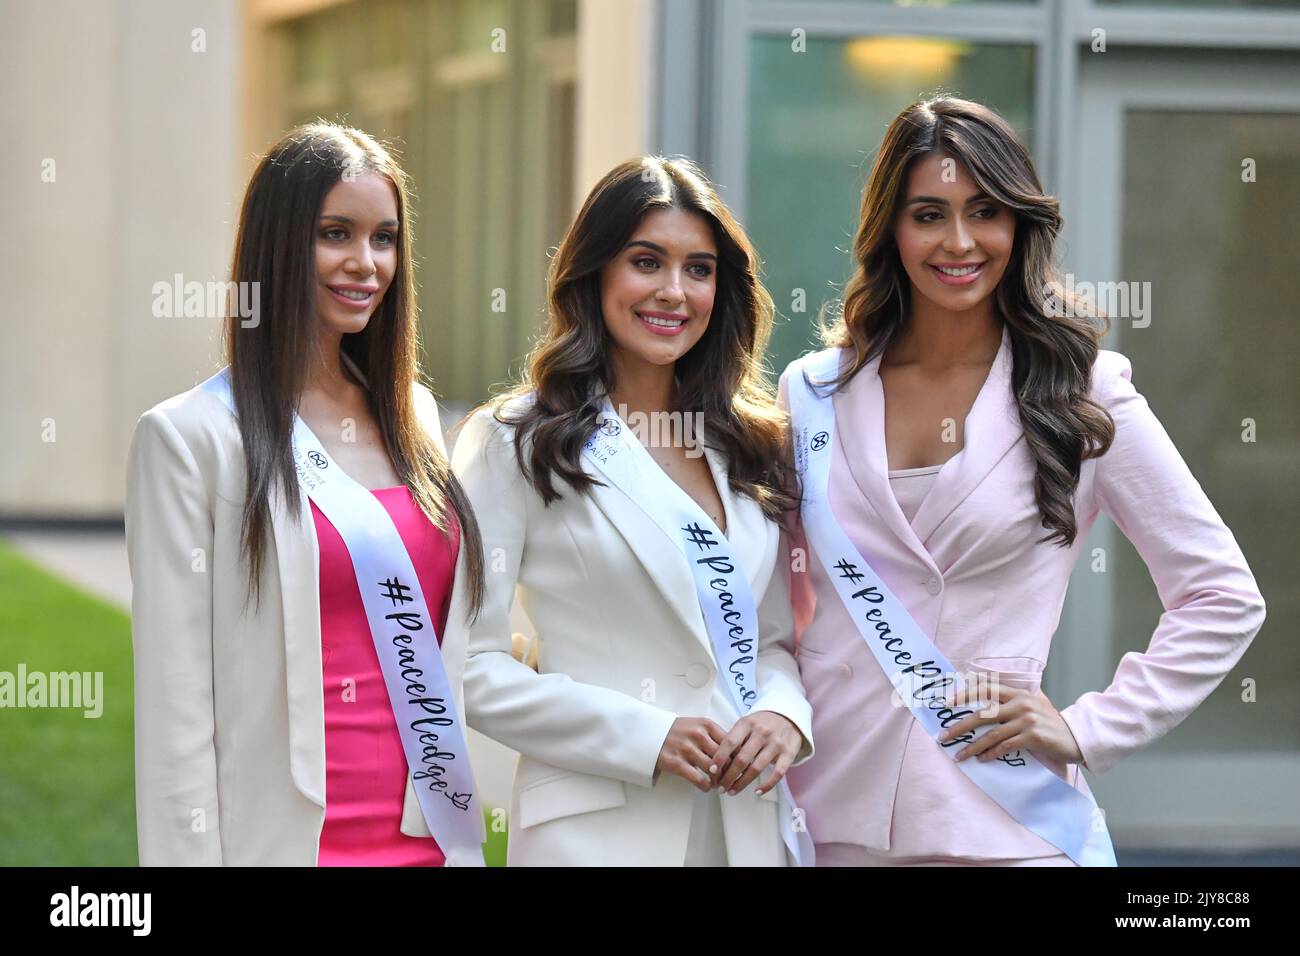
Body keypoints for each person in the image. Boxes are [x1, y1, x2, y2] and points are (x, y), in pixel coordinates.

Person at [780, 95, 1266, 866]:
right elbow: (782, 600)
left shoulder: (1083, 391)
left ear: (1019, 223)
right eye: (929, 214)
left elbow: (1223, 595)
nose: (960, 241)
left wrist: (1087, 729)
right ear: (889, 229)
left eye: (986, 211)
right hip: (831, 814)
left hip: (1002, 822)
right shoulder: (811, 392)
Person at [126, 122, 487, 866]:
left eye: (384, 238)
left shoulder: (413, 414)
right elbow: (175, 713)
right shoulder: (191, 440)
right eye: (336, 234)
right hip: (291, 847)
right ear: (280, 244)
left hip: (429, 839)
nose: (365, 263)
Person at [451, 156, 814, 866]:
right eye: (646, 262)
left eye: (699, 269)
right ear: (595, 275)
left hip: (743, 828)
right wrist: (646, 735)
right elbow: (468, 666)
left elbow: (770, 642)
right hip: (594, 832)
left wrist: (782, 715)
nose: (674, 291)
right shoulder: (517, 440)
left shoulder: (750, 444)